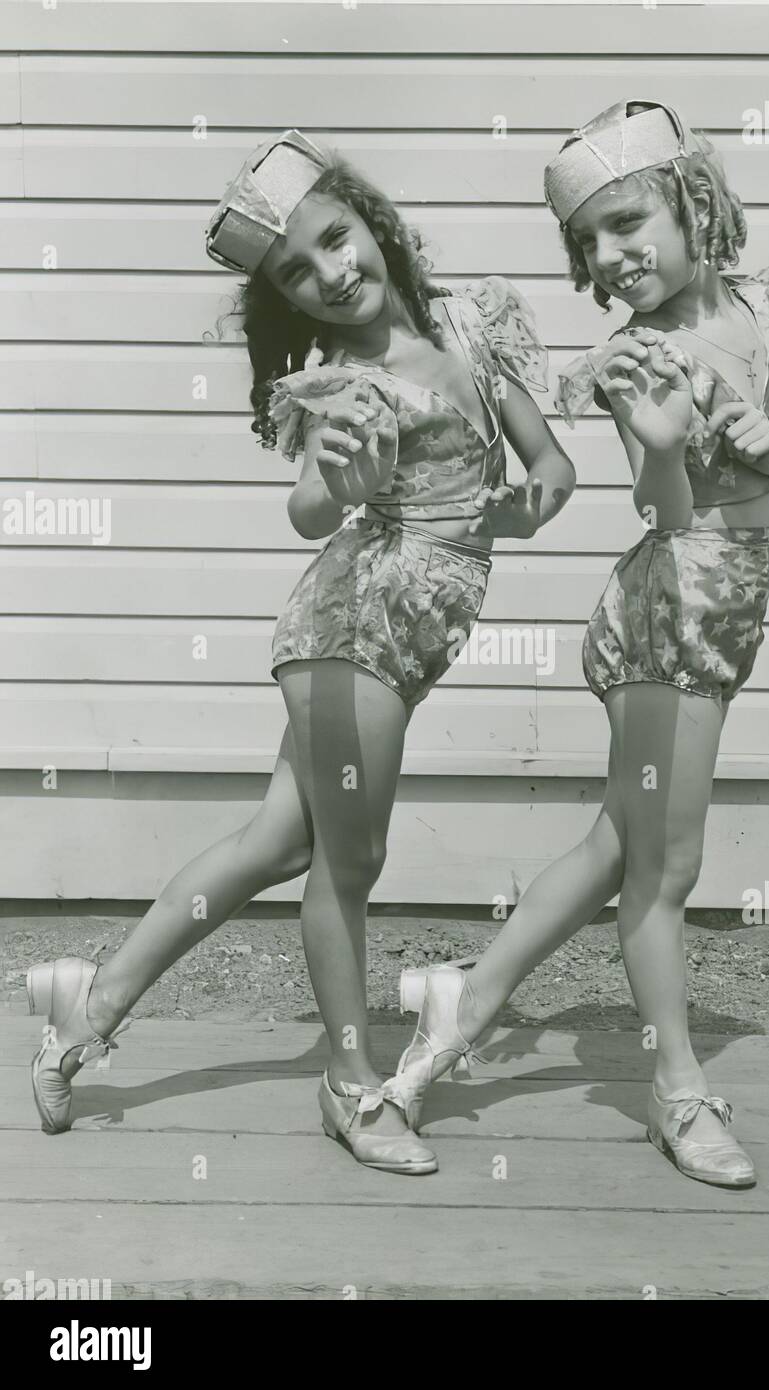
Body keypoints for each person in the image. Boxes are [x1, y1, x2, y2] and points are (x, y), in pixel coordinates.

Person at [27, 130, 576, 1176]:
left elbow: (546, 471)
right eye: (298, 274)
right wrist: (348, 485)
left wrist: (533, 496)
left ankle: (85, 1010)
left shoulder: (475, 324)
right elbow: (308, 505)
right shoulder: (338, 384)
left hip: (413, 633)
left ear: (370, 217)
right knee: (349, 862)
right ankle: (350, 1083)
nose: (331, 273)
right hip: (350, 628)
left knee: (277, 842)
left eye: (334, 238)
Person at [392, 100, 769, 1189]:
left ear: (694, 200)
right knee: (666, 865)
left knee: (619, 838)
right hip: (672, 608)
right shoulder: (636, 359)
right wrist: (664, 448)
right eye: (589, 241)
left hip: (737, 606)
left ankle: (468, 993)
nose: (611, 255)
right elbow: (661, 506)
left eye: (627, 221)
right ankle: (675, 1087)